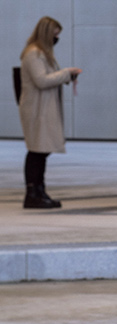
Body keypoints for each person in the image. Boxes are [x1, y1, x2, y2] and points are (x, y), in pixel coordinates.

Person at [18, 17, 82, 210]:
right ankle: (33, 193)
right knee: (37, 151)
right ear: (47, 33)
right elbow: (41, 80)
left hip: (43, 108)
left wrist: (65, 75)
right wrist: (66, 73)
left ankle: (39, 191)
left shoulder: (42, 54)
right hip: (37, 109)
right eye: (55, 35)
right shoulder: (34, 53)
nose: (56, 38)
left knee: (41, 151)